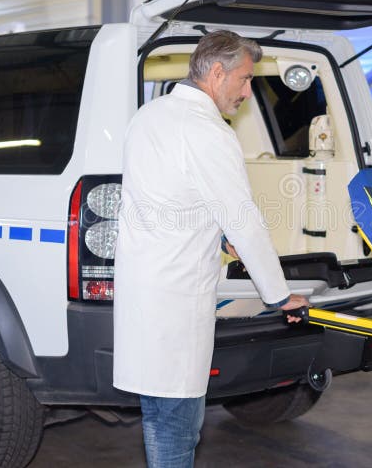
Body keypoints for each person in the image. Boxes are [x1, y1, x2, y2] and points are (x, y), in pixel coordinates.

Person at [113, 30, 309, 468]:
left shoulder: (149, 116)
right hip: (175, 300)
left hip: (145, 291)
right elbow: (245, 220)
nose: (246, 91)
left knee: (159, 416)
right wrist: (278, 294)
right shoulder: (207, 131)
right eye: (243, 80)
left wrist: (220, 238)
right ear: (217, 73)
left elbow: (169, 200)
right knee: (178, 428)